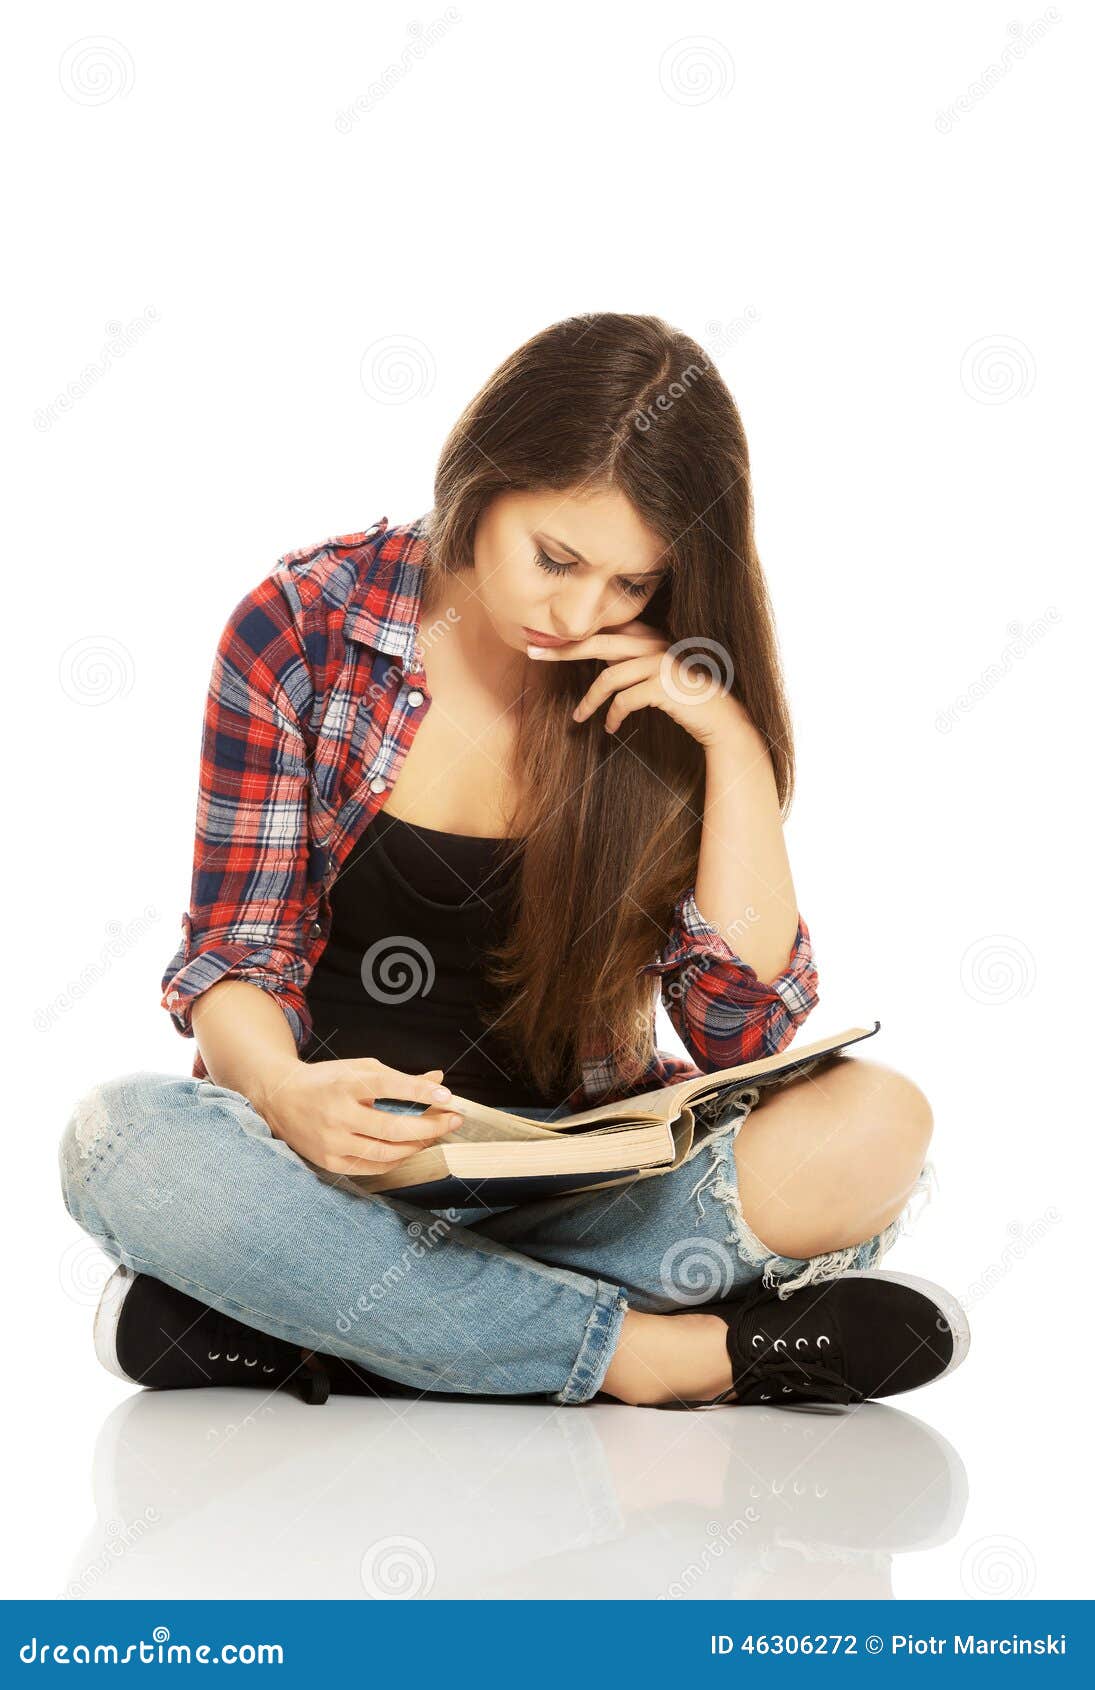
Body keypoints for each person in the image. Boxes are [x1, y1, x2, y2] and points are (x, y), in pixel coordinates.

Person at [57, 312, 969, 1411]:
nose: (579, 613)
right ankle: (652, 1355)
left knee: (877, 1126)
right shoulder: (303, 625)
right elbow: (238, 952)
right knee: (122, 1144)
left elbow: (745, 1036)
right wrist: (286, 1092)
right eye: (557, 559)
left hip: (575, 1185)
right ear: (480, 483)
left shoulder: (662, 688)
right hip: (323, 1176)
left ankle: (329, 1329)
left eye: (631, 584)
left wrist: (729, 747)